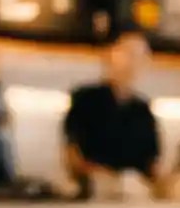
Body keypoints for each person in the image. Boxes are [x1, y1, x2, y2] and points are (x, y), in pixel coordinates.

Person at [63, 31, 161, 198]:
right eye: (128, 54)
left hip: (136, 199)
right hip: (94, 196)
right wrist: (101, 177)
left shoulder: (143, 110)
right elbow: (72, 155)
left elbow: (152, 164)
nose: (133, 63)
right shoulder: (85, 100)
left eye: (141, 56)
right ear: (109, 54)